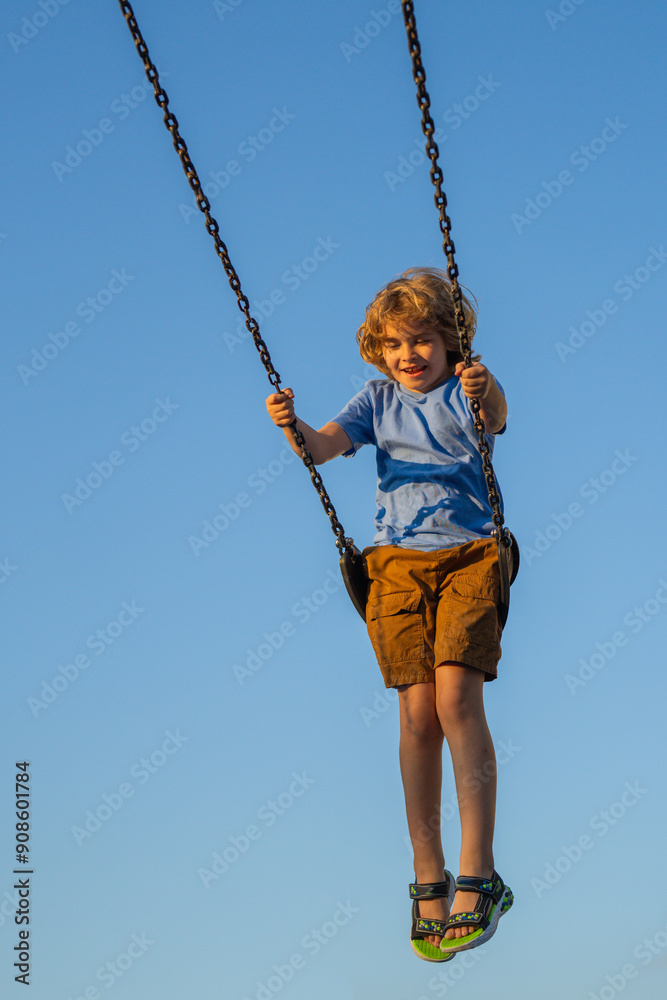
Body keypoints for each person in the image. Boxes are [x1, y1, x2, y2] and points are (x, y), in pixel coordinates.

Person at [265, 267, 513, 962]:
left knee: (456, 697)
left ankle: (478, 871)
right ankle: (425, 872)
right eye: (397, 343)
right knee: (415, 713)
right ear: (377, 350)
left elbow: (494, 416)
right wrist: (291, 426)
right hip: (395, 566)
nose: (411, 353)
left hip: (468, 555)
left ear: (450, 344)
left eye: (425, 339)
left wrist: (481, 385)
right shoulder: (375, 401)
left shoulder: (465, 390)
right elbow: (321, 448)